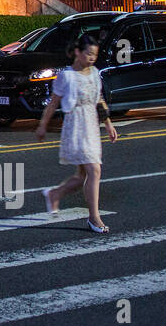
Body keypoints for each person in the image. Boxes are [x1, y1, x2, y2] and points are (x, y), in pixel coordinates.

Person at [35, 34, 118, 233]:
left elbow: (99, 100)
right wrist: (43, 125)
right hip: (75, 126)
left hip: (91, 125)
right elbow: (54, 103)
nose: (91, 58)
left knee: (83, 175)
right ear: (78, 52)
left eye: (94, 55)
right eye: (88, 54)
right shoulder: (66, 76)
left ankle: (55, 194)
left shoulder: (94, 73)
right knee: (94, 170)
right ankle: (94, 218)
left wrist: (108, 124)